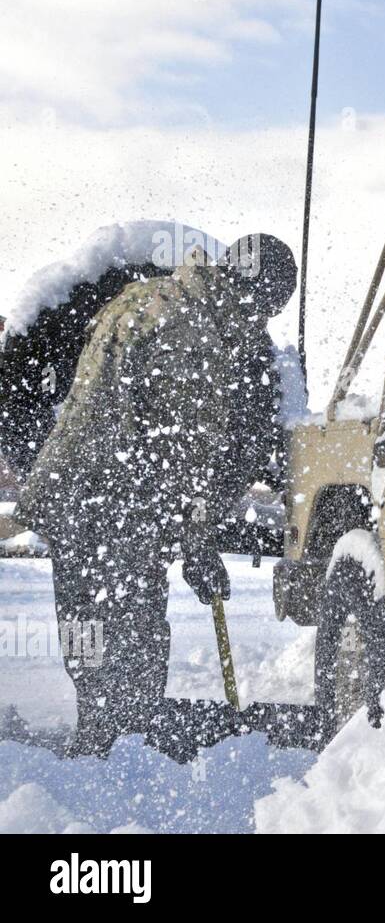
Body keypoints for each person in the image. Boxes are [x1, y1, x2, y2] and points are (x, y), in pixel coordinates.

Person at [15, 234, 296, 756]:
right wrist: (196, 544)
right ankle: (111, 759)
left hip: (86, 501)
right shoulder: (190, 330)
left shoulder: (148, 296)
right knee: (129, 641)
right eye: (265, 311)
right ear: (256, 296)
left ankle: (108, 742)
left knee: (92, 631)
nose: (260, 326)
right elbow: (181, 454)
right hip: (108, 508)